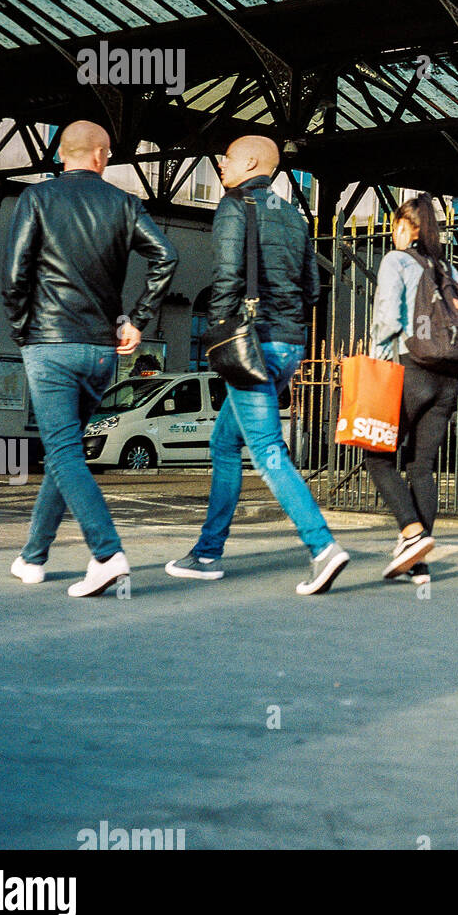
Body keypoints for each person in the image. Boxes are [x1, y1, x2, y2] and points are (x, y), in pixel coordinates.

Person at [166, 135, 349, 595]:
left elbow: (226, 277)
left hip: (252, 346)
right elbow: (312, 288)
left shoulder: (234, 206)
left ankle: (322, 547)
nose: (221, 164)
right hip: (290, 344)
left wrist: (219, 331)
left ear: (250, 162)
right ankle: (207, 553)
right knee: (224, 443)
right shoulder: (293, 215)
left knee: (268, 452)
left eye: (226, 157)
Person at [3, 120, 177, 597]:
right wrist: (137, 319)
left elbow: (15, 275)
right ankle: (33, 558)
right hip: (103, 350)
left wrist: (24, 333)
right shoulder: (125, 204)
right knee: (67, 454)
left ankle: (107, 553)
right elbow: (167, 256)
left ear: (62, 155)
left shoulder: (36, 199)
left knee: (63, 452)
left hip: (51, 345)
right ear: (102, 156)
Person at [368, 194, 458, 584]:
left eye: (396, 227)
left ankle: (411, 532)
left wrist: (376, 360)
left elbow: (387, 317)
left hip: (409, 369)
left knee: (377, 456)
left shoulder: (395, 260)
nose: (393, 234)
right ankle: (419, 565)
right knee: (421, 467)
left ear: (405, 227)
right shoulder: (449, 268)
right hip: (447, 378)